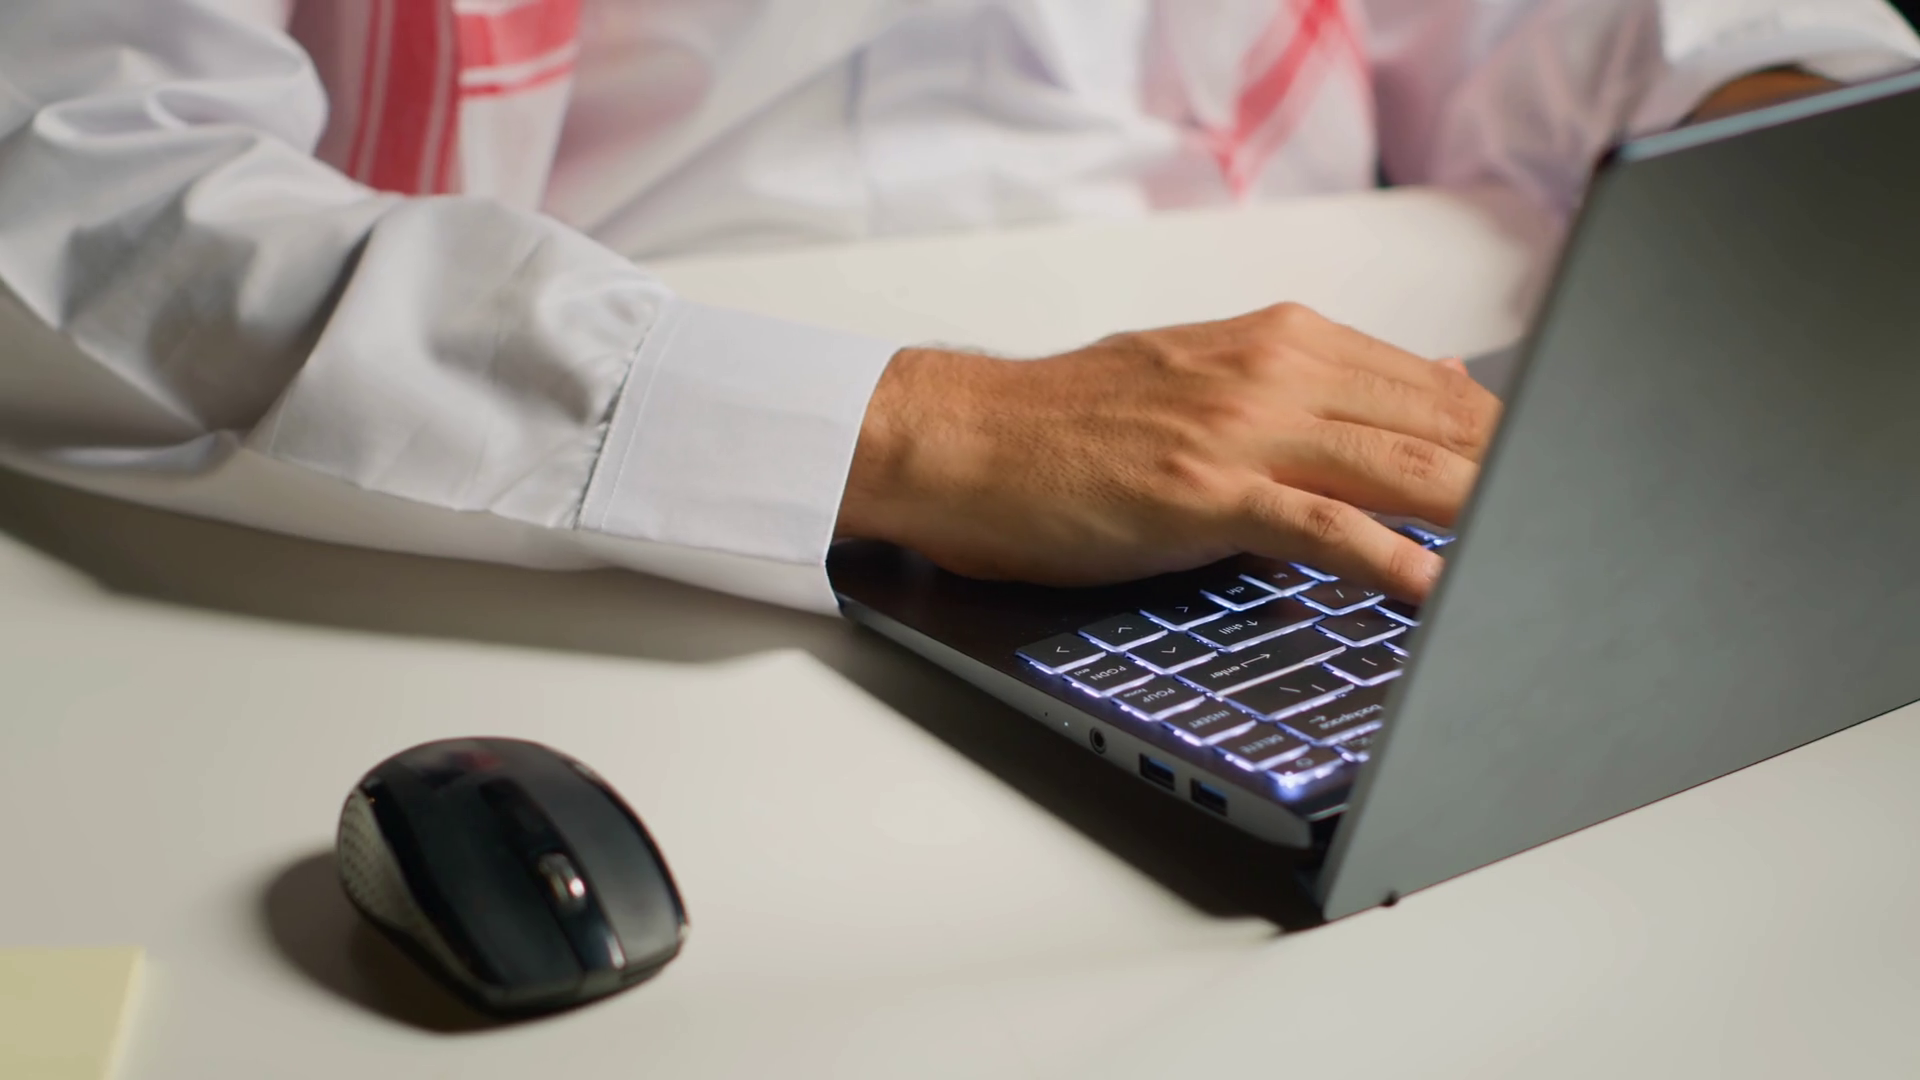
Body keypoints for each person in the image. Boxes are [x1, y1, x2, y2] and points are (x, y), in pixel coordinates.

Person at [0, 1, 1913, 615]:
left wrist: (1792, 142)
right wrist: (910, 427)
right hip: (610, 494)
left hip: (1322, 389)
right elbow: (80, 184)